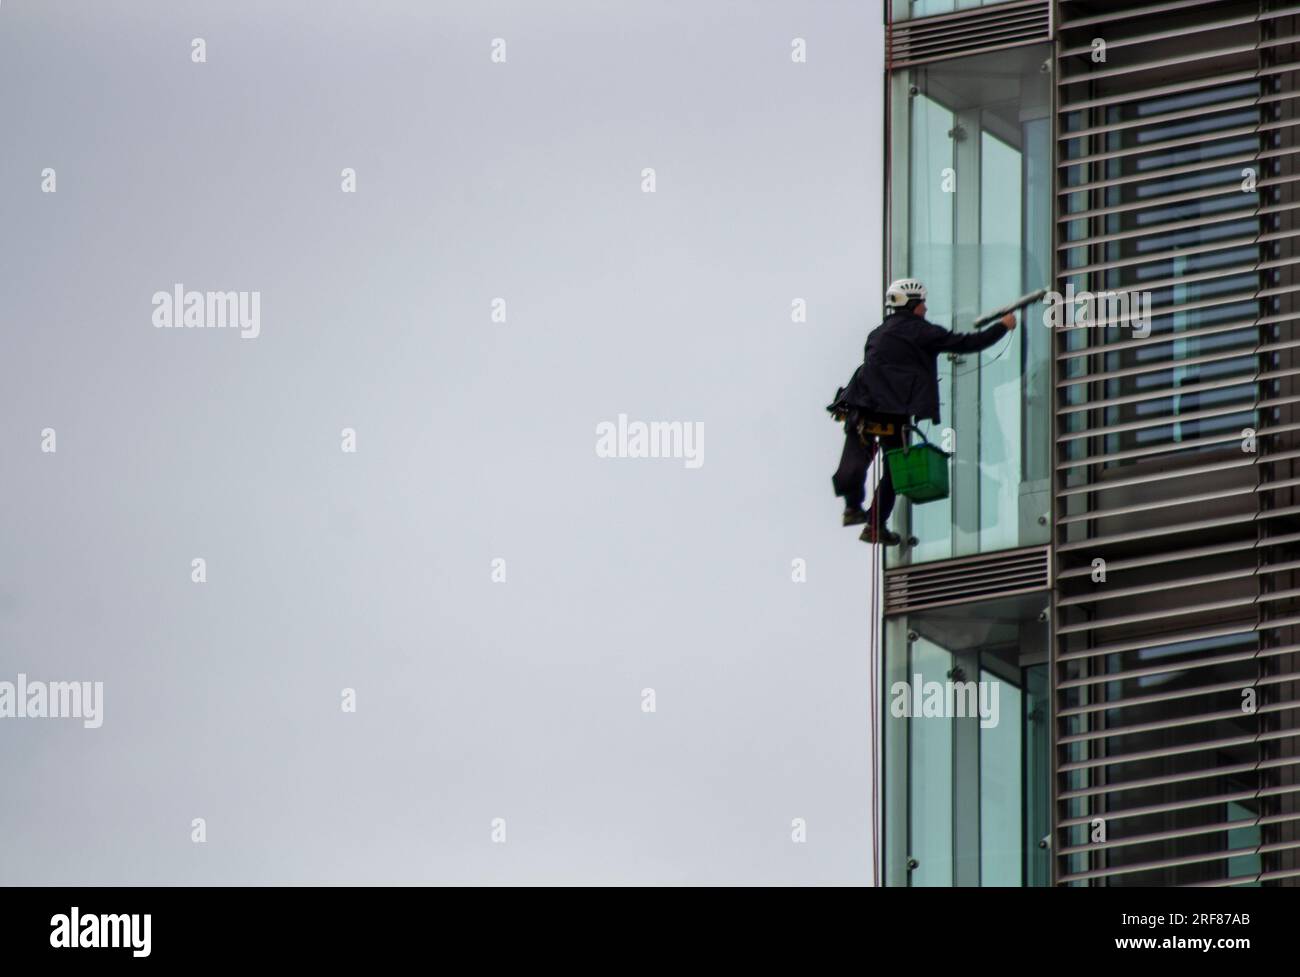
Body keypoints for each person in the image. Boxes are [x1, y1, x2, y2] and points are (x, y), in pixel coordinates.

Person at [832, 278, 1017, 545]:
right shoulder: (923, 332)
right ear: (914, 305)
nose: (926, 308)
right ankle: (874, 525)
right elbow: (966, 343)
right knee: (895, 472)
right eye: (923, 303)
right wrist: (1002, 326)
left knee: (855, 460)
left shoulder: (877, 333)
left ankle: (852, 507)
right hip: (893, 415)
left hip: (863, 408)